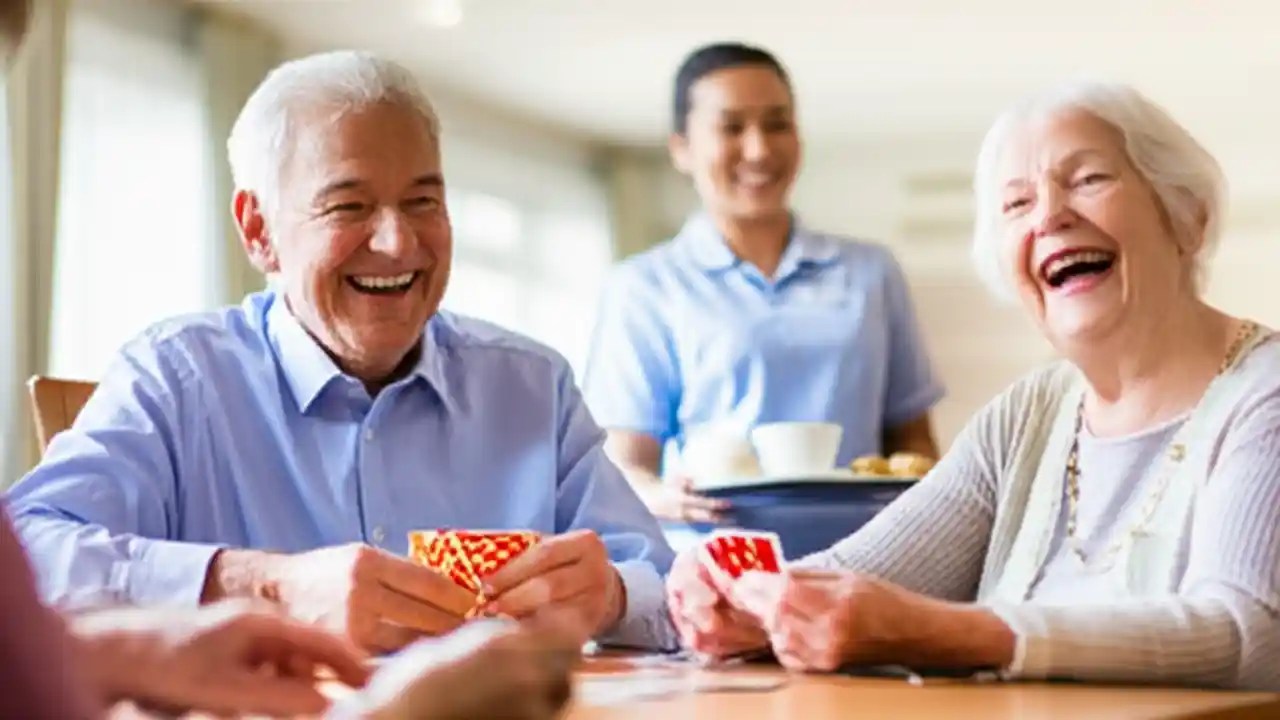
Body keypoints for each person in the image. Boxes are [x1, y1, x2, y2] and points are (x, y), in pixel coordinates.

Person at [0, 6, 579, 719]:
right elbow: (30, 554)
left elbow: (666, 582)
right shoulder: (175, 377)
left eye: (423, 200)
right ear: (259, 230)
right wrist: (260, 584)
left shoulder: (536, 384)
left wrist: (614, 591)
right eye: (349, 206)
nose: (398, 243)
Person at [666, 80, 1280, 690]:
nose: (1050, 216)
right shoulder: (1027, 415)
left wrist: (946, 633)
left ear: (1188, 219)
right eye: (1017, 204)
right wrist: (741, 600)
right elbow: (853, 576)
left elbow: (1241, 634)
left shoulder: (1264, 392)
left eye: (1089, 179)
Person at [582, 42, 944, 524]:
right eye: (731, 127)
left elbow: (913, 444)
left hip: (866, 560)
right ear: (682, 149)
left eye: (778, 124)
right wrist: (665, 499)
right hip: (715, 561)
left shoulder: (871, 273)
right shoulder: (645, 287)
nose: (759, 149)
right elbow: (626, 468)